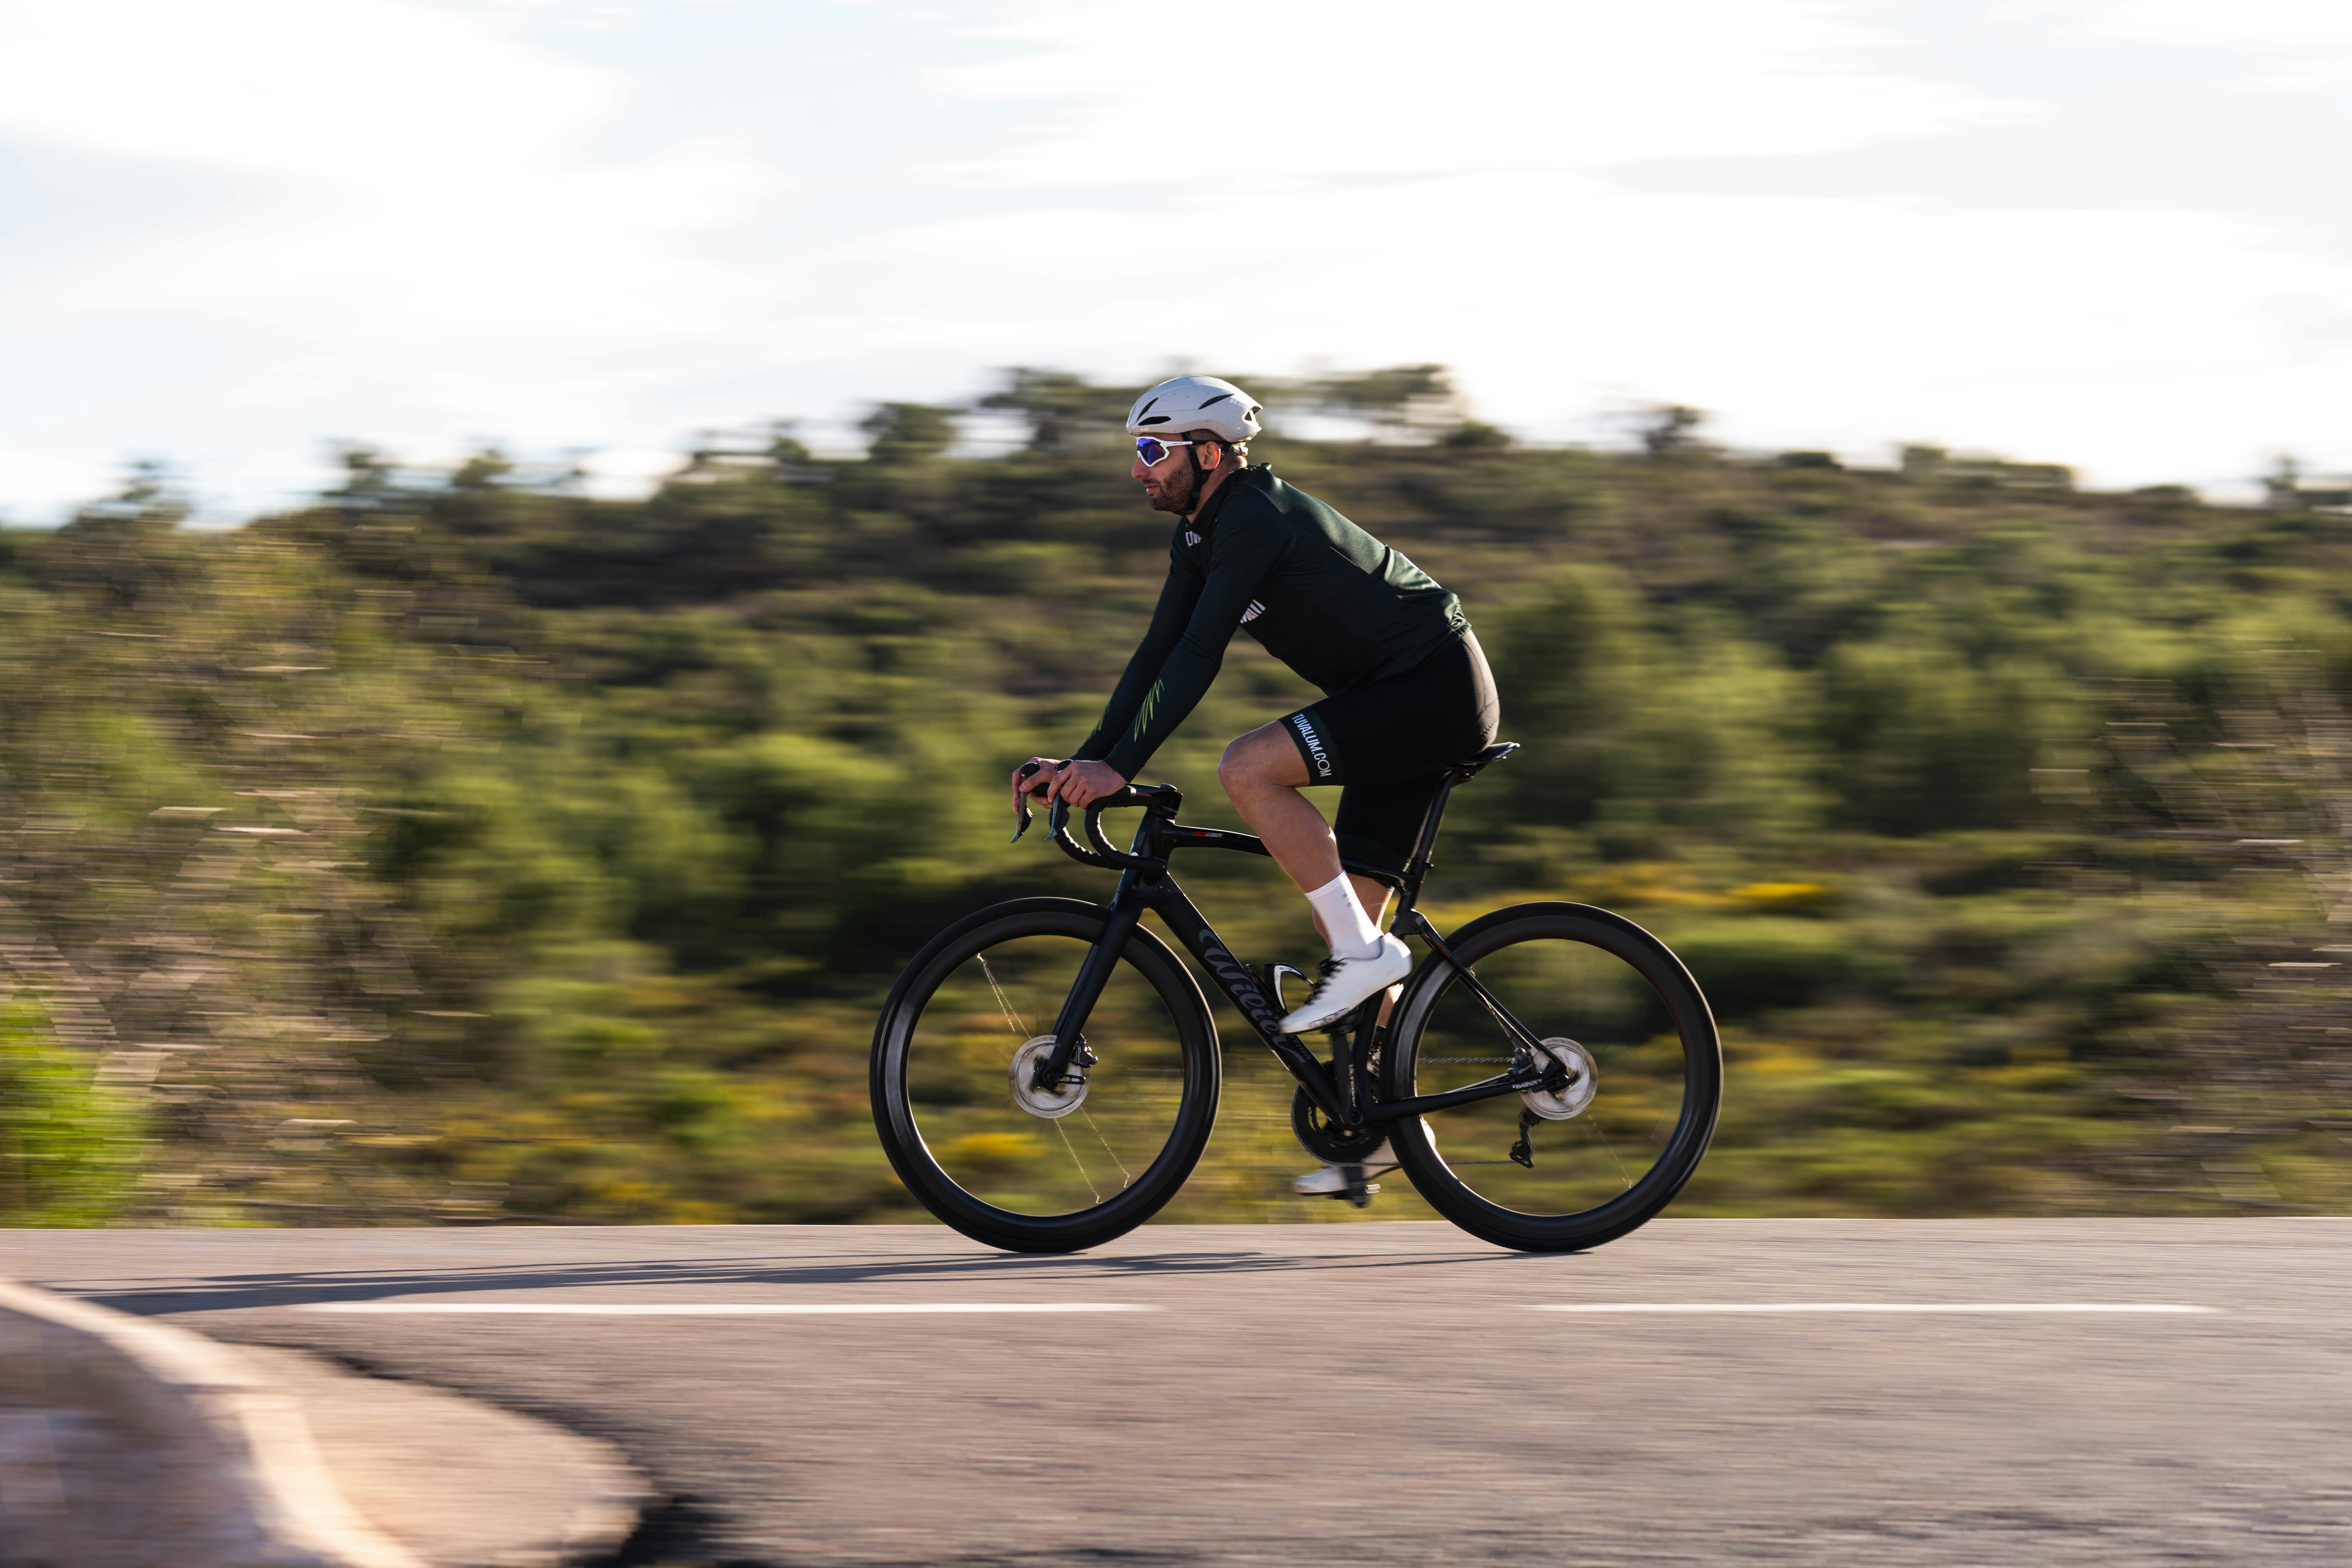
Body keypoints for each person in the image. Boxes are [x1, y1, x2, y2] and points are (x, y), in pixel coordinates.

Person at [1011, 375, 1500, 1197]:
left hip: (1434, 691)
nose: (1137, 470)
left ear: (1208, 455)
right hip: (1394, 701)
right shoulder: (1202, 534)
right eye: (1136, 452)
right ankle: (1385, 1128)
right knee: (1346, 912)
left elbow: (1199, 656)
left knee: (1247, 768)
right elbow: (1156, 655)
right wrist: (1085, 759)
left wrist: (1118, 768)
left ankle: (1366, 959)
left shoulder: (1253, 520)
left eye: (1151, 451)